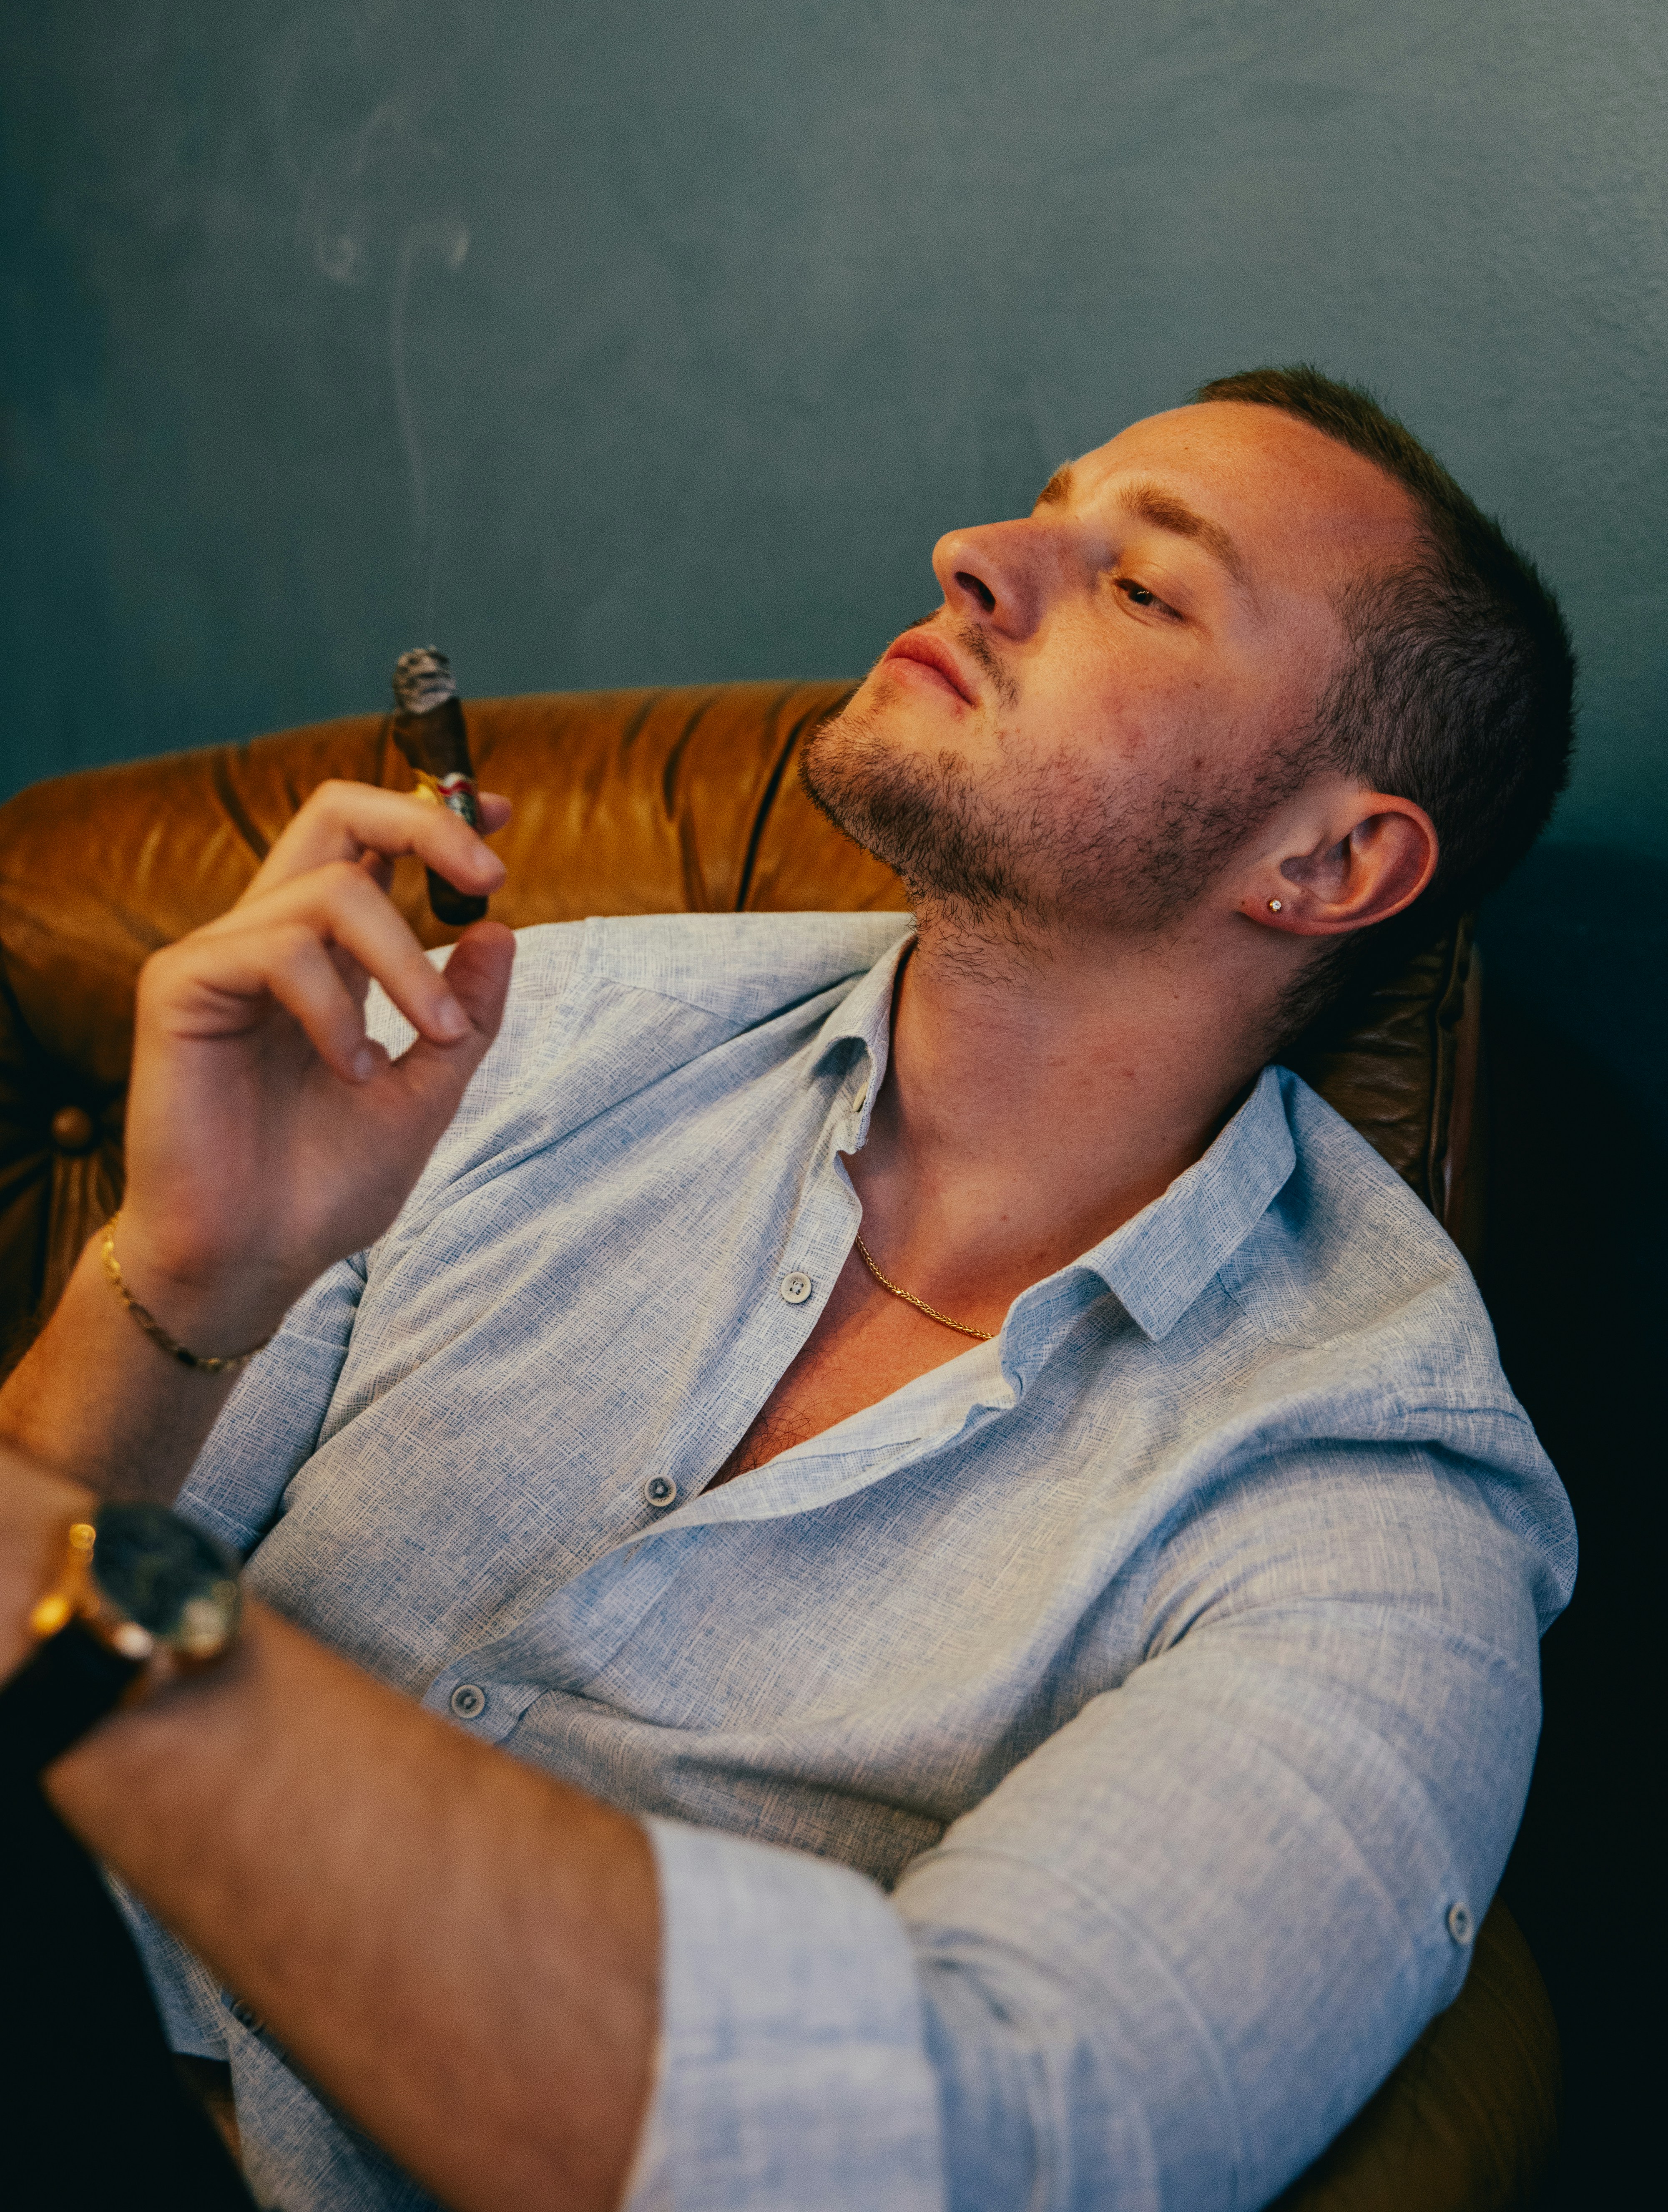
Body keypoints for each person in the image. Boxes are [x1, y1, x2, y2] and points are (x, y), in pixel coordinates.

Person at [0, 366, 1578, 2212]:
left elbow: (976, 2151)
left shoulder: (1371, 1509)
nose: (972, 556)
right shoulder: (526, 1036)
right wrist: (184, 1274)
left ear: (1328, 860)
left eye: (1143, 585)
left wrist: (101, 1631)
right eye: (1037, 508)